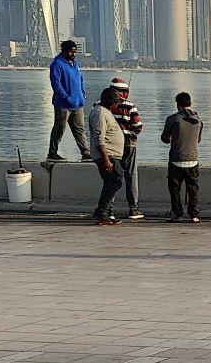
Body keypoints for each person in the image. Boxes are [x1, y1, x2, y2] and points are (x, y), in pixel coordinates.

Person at [161, 91, 204, 222]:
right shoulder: (198, 120)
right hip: (193, 159)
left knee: (174, 189)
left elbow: (164, 138)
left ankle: (178, 214)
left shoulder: (173, 119)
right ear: (190, 103)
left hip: (176, 159)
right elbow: (198, 140)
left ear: (178, 104)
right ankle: (194, 215)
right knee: (193, 189)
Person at [87, 84, 127, 225]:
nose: (118, 105)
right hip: (108, 155)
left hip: (112, 155)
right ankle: (101, 212)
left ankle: (105, 212)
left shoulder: (104, 111)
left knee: (112, 182)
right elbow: (99, 138)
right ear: (112, 102)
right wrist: (106, 159)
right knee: (115, 180)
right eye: (117, 102)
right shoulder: (100, 114)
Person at [107, 75, 146, 221]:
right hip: (129, 144)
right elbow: (138, 126)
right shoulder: (129, 106)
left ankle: (109, 209)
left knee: (111, 178)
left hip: (109, 147)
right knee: (131, 176)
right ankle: (133, 208)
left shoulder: (100, 105)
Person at [46, 40, 90, 162]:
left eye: (75, 52)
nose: (73, 54)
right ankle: (52, 153)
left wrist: (83, 94)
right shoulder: (57, 64)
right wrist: (66, 97)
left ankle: (85, 152)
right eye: (71, 51)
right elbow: (56, 84)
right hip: (63, 104)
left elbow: (80, 80)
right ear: (64, 51)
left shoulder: (75, 64)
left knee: (80, 129)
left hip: (78, 103)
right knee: (60, 128)